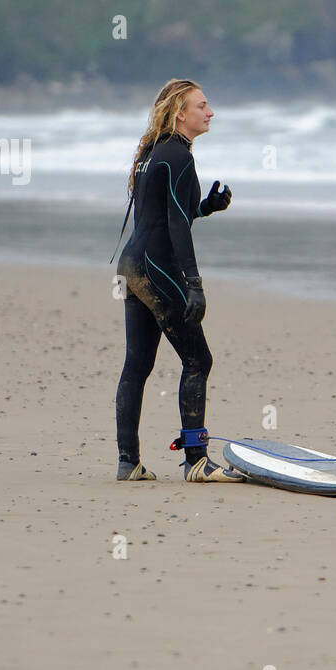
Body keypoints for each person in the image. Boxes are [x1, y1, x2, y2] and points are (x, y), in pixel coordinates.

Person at [114, 78, 242, 483]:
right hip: (157, 269)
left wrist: (206, 207)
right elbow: (174, 228)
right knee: (197, 359)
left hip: (131, 266)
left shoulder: (152, 154)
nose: (210, 112)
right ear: (179, 113)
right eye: (202, 105)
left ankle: (128, 462)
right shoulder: (178, 157)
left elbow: (170, 214)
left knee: (137, 365)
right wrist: (194, 282)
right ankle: (196, 460)